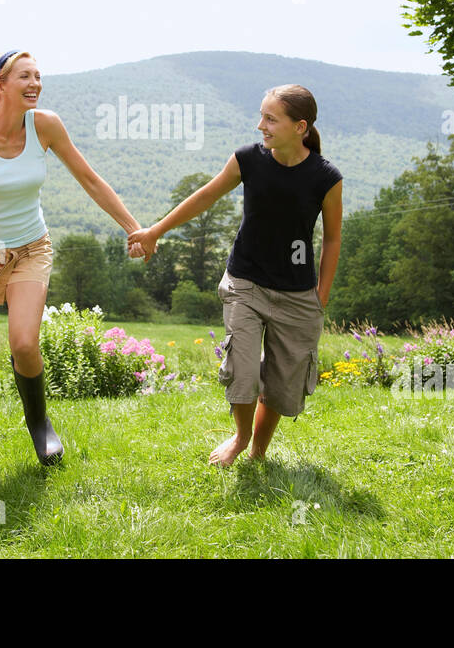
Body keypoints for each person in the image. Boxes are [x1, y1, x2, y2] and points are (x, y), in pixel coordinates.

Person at [0, 50, 143, 474]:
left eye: (38, 77)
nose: (35, 83)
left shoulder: (45, 125)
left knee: (24, 343)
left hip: (29, 249)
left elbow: (88, 177)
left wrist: (133, 227)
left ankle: (39, 425)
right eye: (25, 77)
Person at [128, 85, 342, 466]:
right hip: (245, 283)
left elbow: (332, 239)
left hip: (296, 295)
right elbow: (205, 196)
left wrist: (319, 298)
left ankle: (258, 450)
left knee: (280, 384)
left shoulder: (325, 177)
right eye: (261, 115)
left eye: (270, 118)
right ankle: (241, 438)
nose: (261, 125)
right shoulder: (248, 160)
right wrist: (154, 231)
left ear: (300, 127)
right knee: (242, 372)